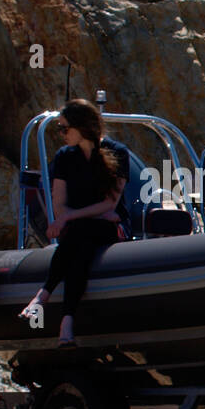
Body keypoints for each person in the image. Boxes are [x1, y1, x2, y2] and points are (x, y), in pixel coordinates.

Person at [17, 99, 125, 347]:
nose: (62, 134)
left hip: (108, 228)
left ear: (83, 127)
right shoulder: (65, 157)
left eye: (65, 128)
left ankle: (42, 296)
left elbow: (111, 203)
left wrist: (69, 217)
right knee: (81, 243)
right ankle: (66, 323)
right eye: (59, 129)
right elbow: (59, 204)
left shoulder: (117, 152)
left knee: (80, 233)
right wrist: (74, 216)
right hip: (85, 228)